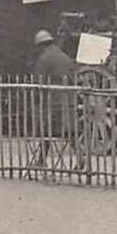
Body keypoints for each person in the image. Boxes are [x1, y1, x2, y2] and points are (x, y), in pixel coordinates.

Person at [30, 28, 77, 169]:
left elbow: (39, 81)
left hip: (51, 100)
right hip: (67, 99)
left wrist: (36, 100)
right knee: (71, 132)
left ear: (40, 45)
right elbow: (73, 77)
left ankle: (41, 161)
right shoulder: (64, 56)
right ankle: (81, 159)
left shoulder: (44, 59)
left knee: (46, 131)